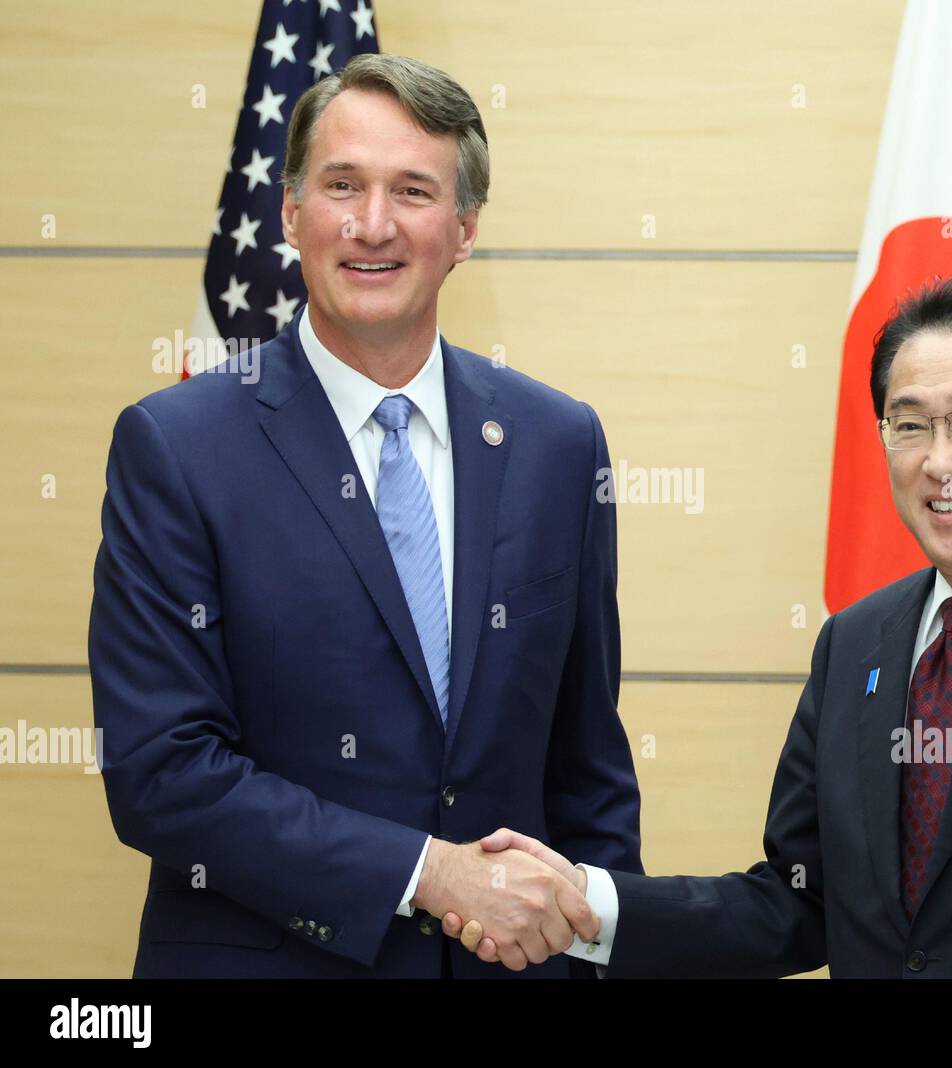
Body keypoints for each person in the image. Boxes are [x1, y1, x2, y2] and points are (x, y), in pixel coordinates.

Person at [445, 276, 952, 978]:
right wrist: (592, 902)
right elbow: (795, 902)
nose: (939, 461)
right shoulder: (856, 644)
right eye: (909, 424)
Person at [88, 54, 641, 979]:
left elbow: (589, 765)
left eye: (414, 191)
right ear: (292, 211)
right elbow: (163, 774)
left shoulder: (558, 443)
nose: (372, 224)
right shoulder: (176, 447)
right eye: (343, 184)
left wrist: (597, 942)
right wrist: (428, 874)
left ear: (464, 229)